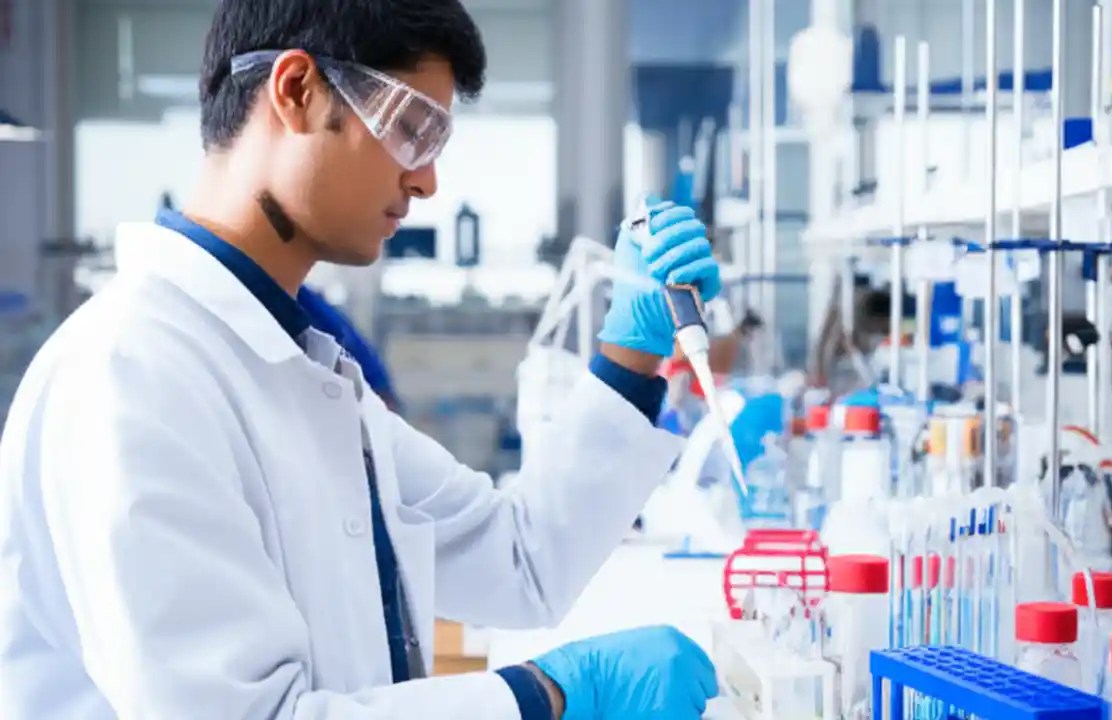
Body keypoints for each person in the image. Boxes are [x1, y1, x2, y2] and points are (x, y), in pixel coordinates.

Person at [0, 1, 721, 718]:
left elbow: (520, 559)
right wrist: (546, 694)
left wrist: (633, 347)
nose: (426, 180)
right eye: (411, 129)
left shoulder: (299, 374)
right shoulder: (133, 374)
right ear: (296, 91)